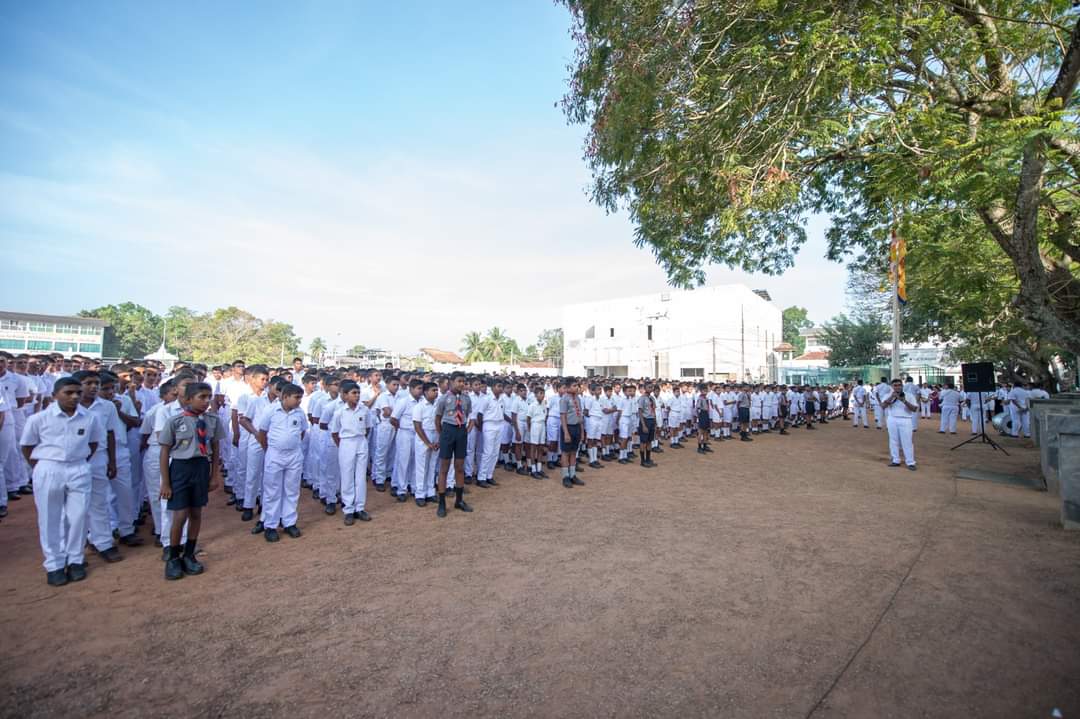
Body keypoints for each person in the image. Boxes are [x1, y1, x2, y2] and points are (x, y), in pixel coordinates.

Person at [19, 377, 105, 586]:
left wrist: (80, 462)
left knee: (78, 516)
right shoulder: (39, 419)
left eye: (77, 392)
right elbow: (27, 447)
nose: (75, 396)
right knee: (50, 517)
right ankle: (55, 564)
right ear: (55, 395)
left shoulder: (89, 417)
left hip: (78, 467)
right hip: (49, 467)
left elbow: (93, 443)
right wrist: (40, 467)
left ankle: (75, 559)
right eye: (68, 393)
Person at [158, 381, 224, 579]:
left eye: (208, 397)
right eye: (201, 397)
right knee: (180, 515)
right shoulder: (175, 421)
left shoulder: (212, 420)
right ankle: (173, 557)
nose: (206, 401)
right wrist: (166, 482)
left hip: (201, 468)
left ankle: (189, 554)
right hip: (180, 468)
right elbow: (164, 452)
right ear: (187, 399)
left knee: (196, 512)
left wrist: (214, 475)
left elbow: (215, 448)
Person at [256, 382, 309, 542]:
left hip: (294, 455)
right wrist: (269, 450)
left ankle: (289, 522)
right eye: (297, 397)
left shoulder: (299, 413)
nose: (299, 401)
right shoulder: (271, 410)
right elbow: (262, 433)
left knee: (292, 490)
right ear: (285, 397)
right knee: (272, 490)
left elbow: (302, 432)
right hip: (275, 454)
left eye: (300, 397)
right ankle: (270, 525)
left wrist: (292, 445)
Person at [330, 380, 372, 524]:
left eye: (358, 393)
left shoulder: (364, 410)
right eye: (353, 393)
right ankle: (348, 509)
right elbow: (334, 432)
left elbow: (368, 428)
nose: (357, 396)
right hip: (346, 443)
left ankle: (360, 507)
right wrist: (342, 445)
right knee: (347, 476)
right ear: (345, 395)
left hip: (361, 442)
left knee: (360, 477)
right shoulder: (339, 412)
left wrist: (362, 441)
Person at [432, 371, 473, 518]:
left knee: (460, 467)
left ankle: (459, 500)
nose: (462, 384)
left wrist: (464, 431)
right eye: (459, 381)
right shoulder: (443, 399)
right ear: (451, 381)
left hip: (461, 430)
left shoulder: (467, 399)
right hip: (448, 431)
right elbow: (437, 419)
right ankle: (442, 502)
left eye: (463, 381)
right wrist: (442, 434)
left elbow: (468, 415)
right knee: (444, 468)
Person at [411, 382, 440, 508]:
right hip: (423, 436)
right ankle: (420, 494)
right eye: (433, 390)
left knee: (432, 465)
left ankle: (430, 491)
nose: (436, 392)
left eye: (436, 390)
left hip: (435, 435)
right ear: (426, 392)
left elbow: (440, 422)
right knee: (421, 467)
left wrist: (438, 440)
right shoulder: (419, 406)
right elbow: (417, 426)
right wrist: (428, 443)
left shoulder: (438, 405)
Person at [882, 378, 918, 470]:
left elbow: (914, 409)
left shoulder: (909, 395)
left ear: (902, 386)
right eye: (895, 385)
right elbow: (883, 406)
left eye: (899, 385)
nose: (897, 387)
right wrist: (892, 397)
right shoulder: (888, 395)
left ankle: (910, 462)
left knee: (907, 441)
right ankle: (895, 460)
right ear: (892, 386)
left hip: (905, 419)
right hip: (892, 419)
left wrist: (904, 401)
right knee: (893, 440)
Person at [637, 382, 658, 468]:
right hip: (645, 420)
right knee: (643, 441)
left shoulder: (652, 398)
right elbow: (640, 412)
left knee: (649, 441)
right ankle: (642, 461)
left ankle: (648, 459)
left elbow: (653, 410)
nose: (651, 389)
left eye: (652, 387)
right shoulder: (642, 398)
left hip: (651, 420)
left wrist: (655, 421)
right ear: (645, 388)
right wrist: (644, 425)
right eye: (649, 387)